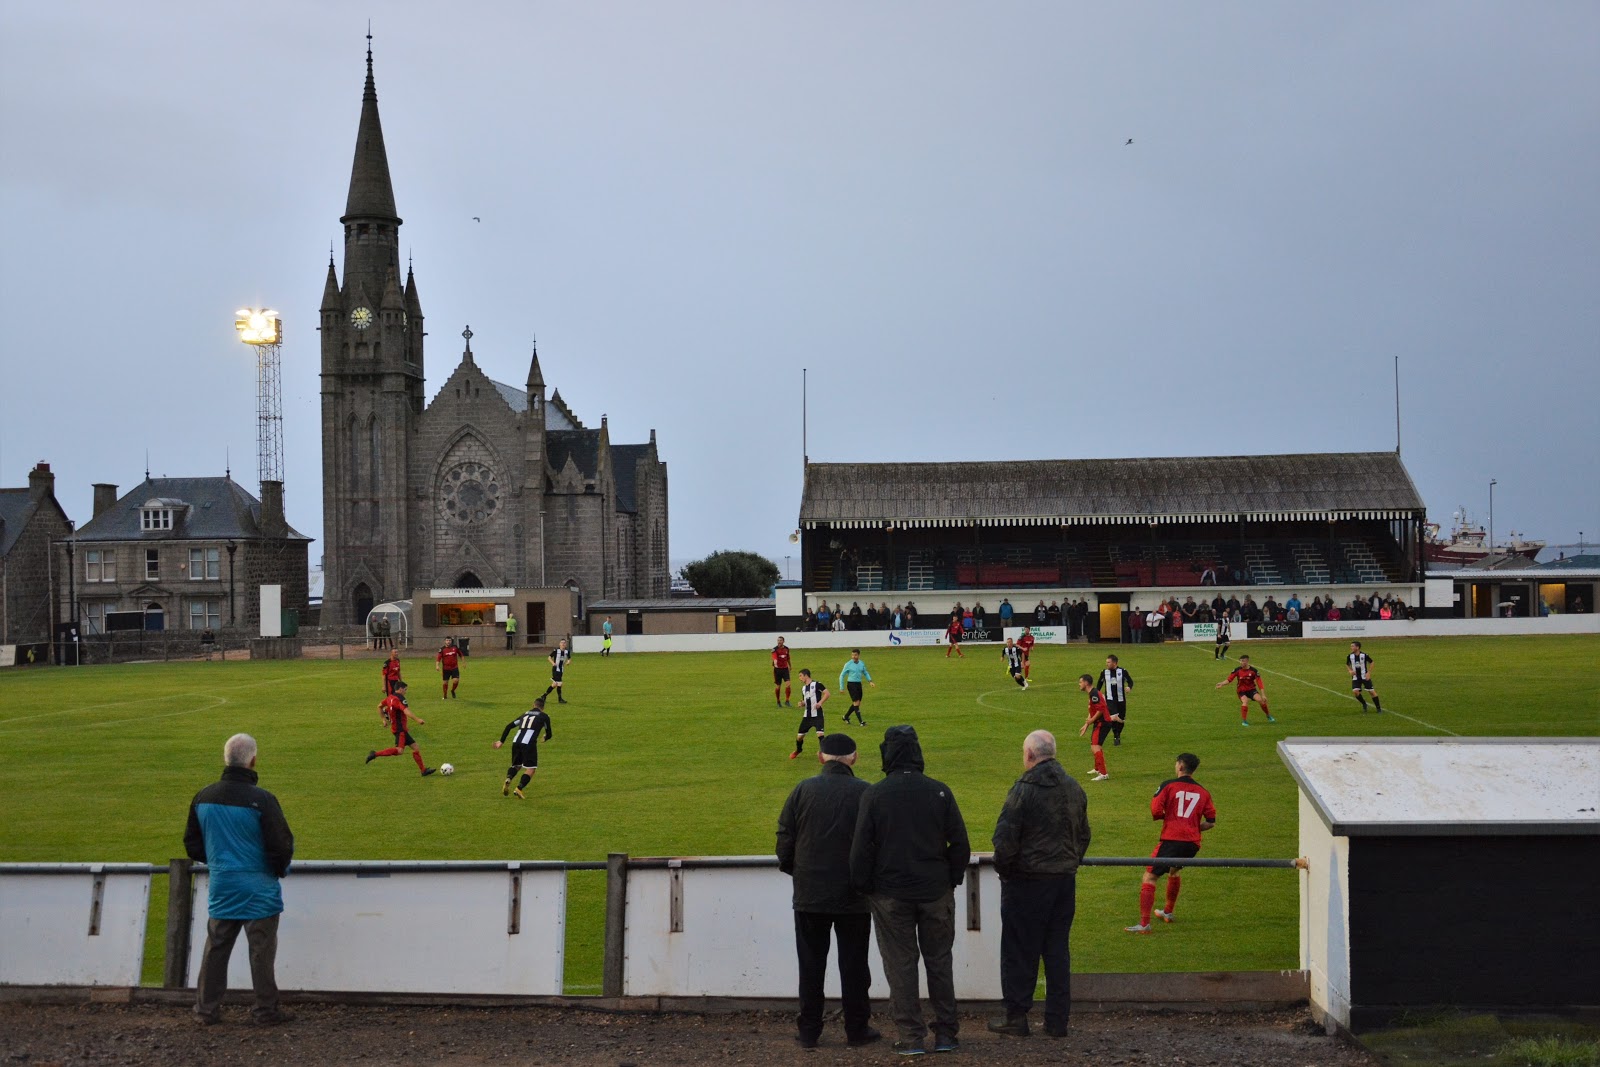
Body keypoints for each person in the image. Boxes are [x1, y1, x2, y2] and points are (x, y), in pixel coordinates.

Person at [849, 725, 970, 1056]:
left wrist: (865, 886)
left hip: (891, 893)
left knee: (900, 964)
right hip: (934, 891)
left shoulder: (875, 794)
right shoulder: (939, 791)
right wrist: (950, 879)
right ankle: (946, 1033)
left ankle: (911, 1036)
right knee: (939, 961)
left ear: (887, 753)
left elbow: (860, 850)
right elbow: (960, 844)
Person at [776, 733, 881, 1050]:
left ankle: (809, 1031)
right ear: (854, 758)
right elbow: (876, 844)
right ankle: (857, 1029)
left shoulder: (803, 790)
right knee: (855, 965)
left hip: (810, 891)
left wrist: (796, 870)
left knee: (810, 965)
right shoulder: (866, 792)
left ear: (821, 757)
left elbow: (785, 837)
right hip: (853, 894)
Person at [185, 733, 295, 1026]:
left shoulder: (203, 797)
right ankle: (265, 1011)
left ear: (225, 759)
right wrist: (277, 869)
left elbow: (192, 845)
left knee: (216, 948)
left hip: (223, 885)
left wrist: (220, 861)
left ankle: (205, 1010)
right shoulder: (263, 800)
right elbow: (281, 844)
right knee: (261, 952)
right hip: (259, 886)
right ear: (253, 760)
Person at [989, 729, 1089, 1039]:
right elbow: (1083, 835)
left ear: (1030, 755)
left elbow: (1004, 840)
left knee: (1020, 950)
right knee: (1057, 950)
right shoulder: (1073, 787)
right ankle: (1057, 1021)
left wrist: (1007, 873)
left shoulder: (1024, 789)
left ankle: (1016, 1017)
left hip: (1028, 881)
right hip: (1063, 880)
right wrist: (1069, 863)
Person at [1125, 753, 1216, 933]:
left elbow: (1156, 810)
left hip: (1172, 840)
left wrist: (1170, 818)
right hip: (1192, 843)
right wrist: (1192, 827)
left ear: (1180, 766)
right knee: (1174, 871)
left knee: (1150, 877)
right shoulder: (1203, 792)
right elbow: (1211, 822)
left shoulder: (1169, 785)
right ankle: (1168, 912)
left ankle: (1144, 924)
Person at [366, 682, 437, 776]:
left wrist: (383, 719)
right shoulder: (399, 699)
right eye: (405, 689)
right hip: (400, 730)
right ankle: (375, 754)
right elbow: (406, 711)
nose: (405, 692)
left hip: (400, 729)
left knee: (415, 747)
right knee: (399, 751)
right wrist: (417, 719)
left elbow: (379, 706)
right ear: (400, 689)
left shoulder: (390, 697)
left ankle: (423, 770)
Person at [493, 697, 552, 799]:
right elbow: (549, 734)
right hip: (528, 743)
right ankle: (519, 788)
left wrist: (501, 741)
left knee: (516, 765)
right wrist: (545, 737)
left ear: (533, 705)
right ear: (543, 708)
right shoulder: (544, 716)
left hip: (516, 741)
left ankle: (508, 778)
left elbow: (509, 726)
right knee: (531, 769)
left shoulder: (524, 714)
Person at [1077, 674, 1121, 781]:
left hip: (1103, 723)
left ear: (1086, 683)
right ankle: (1097, 769)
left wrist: (1092, 720)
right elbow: (1093, 710)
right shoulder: (1093, 693)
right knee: (1095, 745)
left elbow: (1100, 709)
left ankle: (1103, 773)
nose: (1079, 684)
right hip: (1099, 722)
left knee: (1095, 746)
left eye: (1080, 682)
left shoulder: (1094, 694)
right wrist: (1086, 724)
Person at [1216, 654, 1274, 725]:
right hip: (1241, 691)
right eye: (1240, 661)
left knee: (1260, 700)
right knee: (1245, 701)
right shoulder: (1237, 670)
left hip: (1251, 690)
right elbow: (1229, 679)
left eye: (1243, 661)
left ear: (1247, 661)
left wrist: (1263, 695)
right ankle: (1244, 721)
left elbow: (1259, 683)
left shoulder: (1253, 671)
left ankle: (1268, 715)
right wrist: (1222, 683)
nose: (1241, 662)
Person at [1095, 654, 1134, 746]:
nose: (1106, 664)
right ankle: (1115, 735)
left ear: (1114, 663)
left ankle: (1118, 734)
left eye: (1108, 662)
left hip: (1121, 699)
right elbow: (1099, 684)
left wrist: (1129, 687)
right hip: (1110, 700)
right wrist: (1097, 695)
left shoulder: (1123, 671)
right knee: (1113, 717)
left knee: (1121, 719)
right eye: (1106, 662)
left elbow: (1130, 681)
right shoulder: (1104, 672)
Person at [791, 668, 829, 759]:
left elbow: (827, 694)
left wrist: (820, 703)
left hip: (817, 714)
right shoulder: (803, 688)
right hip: (807, 716)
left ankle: (823, 753)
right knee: (799, 737)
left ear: (806, 675)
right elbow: (806, 701)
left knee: (820, 734)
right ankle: (799, 750)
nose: (799, 678)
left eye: (800, 676)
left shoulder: (817, 684)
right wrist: (802, 704)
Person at [839, 649, 875, 725]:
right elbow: (842, 675)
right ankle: (861, 722)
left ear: (858, 655)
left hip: (858, 684)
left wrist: (870, 681)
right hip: (851, 684)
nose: (853, 657)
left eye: (855, 655)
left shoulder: (861, 663)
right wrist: (841, 687)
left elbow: (865, 672)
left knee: (857, 703)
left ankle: (845, 716)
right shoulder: (848, 664)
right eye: (852, 655)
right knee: (856, 702)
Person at [1346, 641, 1383, 713]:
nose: (1351, 647)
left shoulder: (1364, 655)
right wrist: (1350, 670)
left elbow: (1372, 662)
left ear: (1357, 647)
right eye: (1351, 646)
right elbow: (1347, 664)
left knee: (1371, 692)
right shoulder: (1350, 656)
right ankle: (1364, 704)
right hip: (1356, 677)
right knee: (1355, 692)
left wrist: (1369, 672)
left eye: (1352, 646)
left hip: (1364, 676)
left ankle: (1378, 708)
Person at [542, 638, 571, 704]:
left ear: (566, 644)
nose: (563, 644)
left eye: (564, 643)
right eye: (562, 643)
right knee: (559, 683)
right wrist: (553, 663)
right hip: (555, 669)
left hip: (561, 669)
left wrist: (568, 662)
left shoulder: (567, 651)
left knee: (554, 684)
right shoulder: (556, 650)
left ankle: (544, 696)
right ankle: (560, 699)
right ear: (559, 644)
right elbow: (549, 657)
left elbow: (569, 658)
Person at [772, 635, 794, 708]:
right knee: (778, 687)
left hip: (785, 669)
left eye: (780, 640)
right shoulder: (774, 650)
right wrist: (775, 663)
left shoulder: (786, 649)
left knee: (788, 685)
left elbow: (788, 658)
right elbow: (775, 658)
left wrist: (790, 666)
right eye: (778, 640)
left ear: (783, 641)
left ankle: (787, 701)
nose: (779, 642)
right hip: (777, 670)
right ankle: (778, 701)